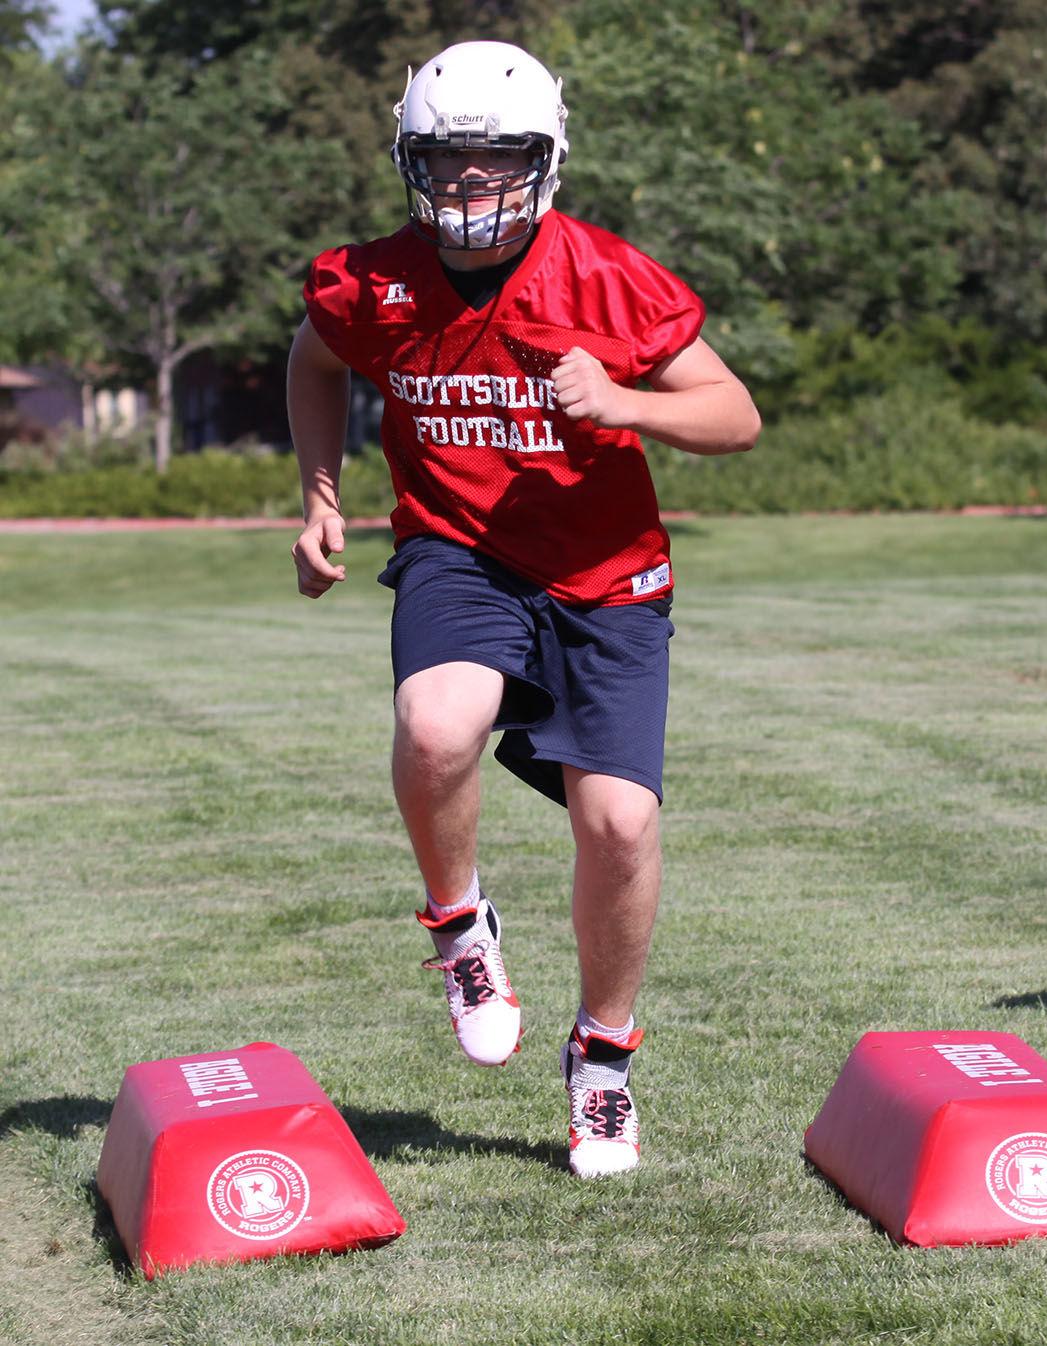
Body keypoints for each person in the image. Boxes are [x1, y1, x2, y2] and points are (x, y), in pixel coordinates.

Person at [288, 40, 760, 1178]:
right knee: (437, 725)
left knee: (620, 826)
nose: (469, 189)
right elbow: (316, 358)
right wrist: (317, 493)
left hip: (608, 577)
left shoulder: (605, 276)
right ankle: (460, 929)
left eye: (495, 163)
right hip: (462, 550)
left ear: (544, 163)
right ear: (413, 162)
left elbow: (736, 415)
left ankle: (602, 1056)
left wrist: (628, 400)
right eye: (447, 165)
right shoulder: (373, 277)